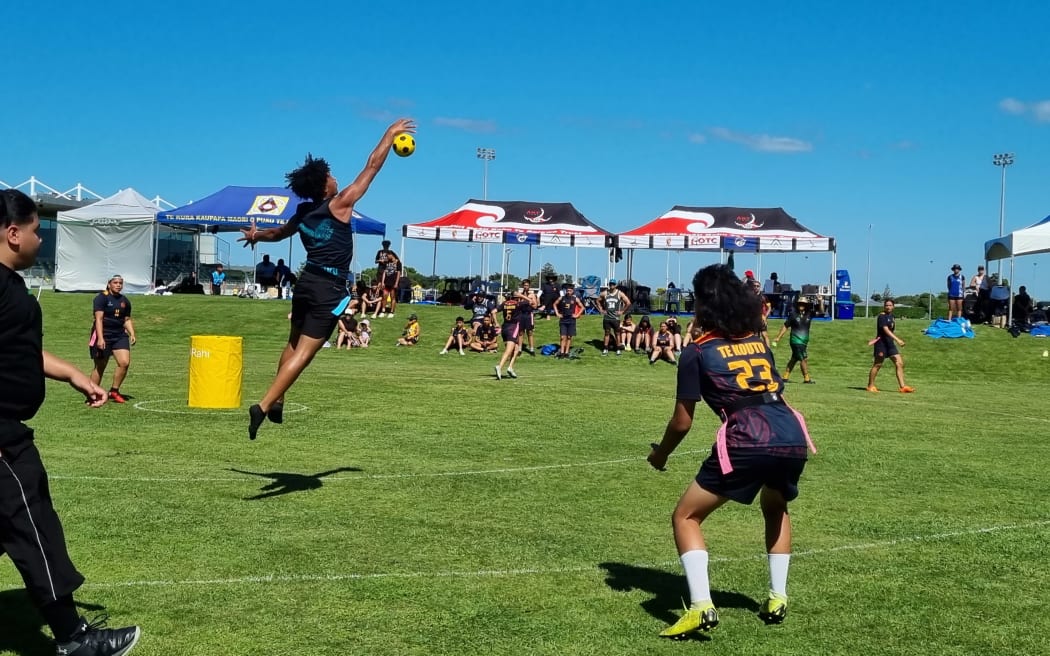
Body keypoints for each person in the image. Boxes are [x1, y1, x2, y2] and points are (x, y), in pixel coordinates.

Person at [1, 188, 141, 655]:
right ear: (12, 232)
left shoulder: (10, 286)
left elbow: (24, 352)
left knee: (17, 523)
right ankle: (74, 639)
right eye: (38, 231)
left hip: (10, 430)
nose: (42, 241)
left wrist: (77, 377)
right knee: (32, 524)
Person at [647, 263, 815, 639]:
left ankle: (701, 606)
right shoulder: (759, 341)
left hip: (748, 435)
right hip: (791, 431)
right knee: (775, 507)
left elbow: (682, 422)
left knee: (686, 517)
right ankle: (777, 596)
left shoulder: (697, 351)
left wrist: (661, 455)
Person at [239, 118, 416, 439]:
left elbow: (279, 234)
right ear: (324, 186)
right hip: (329, 288)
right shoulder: (341, 203)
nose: (336, 178)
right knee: (305, 354)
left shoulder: (302, 214)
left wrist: (256, 236)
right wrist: (389, 135)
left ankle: (278, 399)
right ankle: (263, 405)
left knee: (293, 343)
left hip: (305, 284)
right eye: (331, 176)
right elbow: (372, 166)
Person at [89, 275, 137, 404]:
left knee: (124, 363)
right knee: (100, 366)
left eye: (120, 283)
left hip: (119, 335)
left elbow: (126, 319)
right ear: (109, 284)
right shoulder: (101, 298)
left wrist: (132, 333)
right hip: (103, 334)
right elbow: (99, 319)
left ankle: (114, 391)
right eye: (115, 282)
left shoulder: (125, 301)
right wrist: (100, 338)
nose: (118, 285)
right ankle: (92, 394)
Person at [866, 299, 915, 393]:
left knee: (899, 363)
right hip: (881, 344)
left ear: (893, 307)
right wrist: (898, 340)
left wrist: (893, 340)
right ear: (884, 306)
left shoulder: (892, 316)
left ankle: (903, 387)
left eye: (890, 305)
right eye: (886, 305)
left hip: (890, 344)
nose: (888, 307)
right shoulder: (881, 317)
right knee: (878, 364)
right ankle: (870, 386)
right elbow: (886, 330)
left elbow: (891, 330)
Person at [772, 299, 815, 384]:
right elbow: (785, 326)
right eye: (799, 303)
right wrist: (778, 337)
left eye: (803, 304)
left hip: (804, 342)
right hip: (795, 341)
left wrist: (821, 301)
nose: (801, 305)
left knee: (794, 358)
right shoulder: (793, 315)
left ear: (806, 305)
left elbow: (821, 311)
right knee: (803, 359)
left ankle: (785, 377)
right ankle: (807, 378)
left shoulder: (809, 314)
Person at [494, 290, 525, 379]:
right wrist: (522, 296)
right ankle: (499, 366)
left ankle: (510, 367)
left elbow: (493, 312)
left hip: (505, 327)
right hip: (513, 327)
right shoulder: (518, 304)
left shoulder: (504, 304)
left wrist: (496, 323)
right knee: (509, 350)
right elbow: (532, 302)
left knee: (516, 348)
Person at [599, 279, 632, 356]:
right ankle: (605, 348)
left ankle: (618, 349)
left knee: (617, 333)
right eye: (610, 284)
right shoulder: (605, 293)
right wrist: (601, 309)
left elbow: (628, 302)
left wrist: (622, 311)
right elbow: (598, 300)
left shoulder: (619, 293)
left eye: (613, 284)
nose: (611, 286)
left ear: (616, 285)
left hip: (615, 318)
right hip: (607, 317)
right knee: (607, 333)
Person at [553, 282, 584, 358]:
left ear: (572, 291)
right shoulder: (562, 298)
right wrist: (557, 313)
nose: (568, 292)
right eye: (567, 290)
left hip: (571, 320)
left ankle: (567, 352)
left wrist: (577, 315)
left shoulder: (575, 298)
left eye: (570, 290)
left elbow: (582, 307)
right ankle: (562, 352)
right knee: (562, 337)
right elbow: (554, 304)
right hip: (563, 319)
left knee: (569, 337)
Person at [518, 279, 540, 355]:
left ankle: (531, 349)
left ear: (529, 286)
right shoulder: (520, 294)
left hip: (528, 314)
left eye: (527, 285)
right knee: (520, 332)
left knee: (530, 332)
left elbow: (535, 305)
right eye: (524, 285)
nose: (526, 287)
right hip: (521, 314)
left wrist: (529, 302)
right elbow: (518, 304)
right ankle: (519, 349)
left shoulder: (532, 295)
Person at [379, 251, 402, 317]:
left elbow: (398, 273)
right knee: (384, 296)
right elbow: (384, 273)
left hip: (393, 282)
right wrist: (383, 282)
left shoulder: (398, 263)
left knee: (393, 297)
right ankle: (383, 310)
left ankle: (391, 312)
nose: (387, 257)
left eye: (387, 256)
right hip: (386, 282)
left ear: (391, 255)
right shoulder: (386, 263)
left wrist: (396, 283)